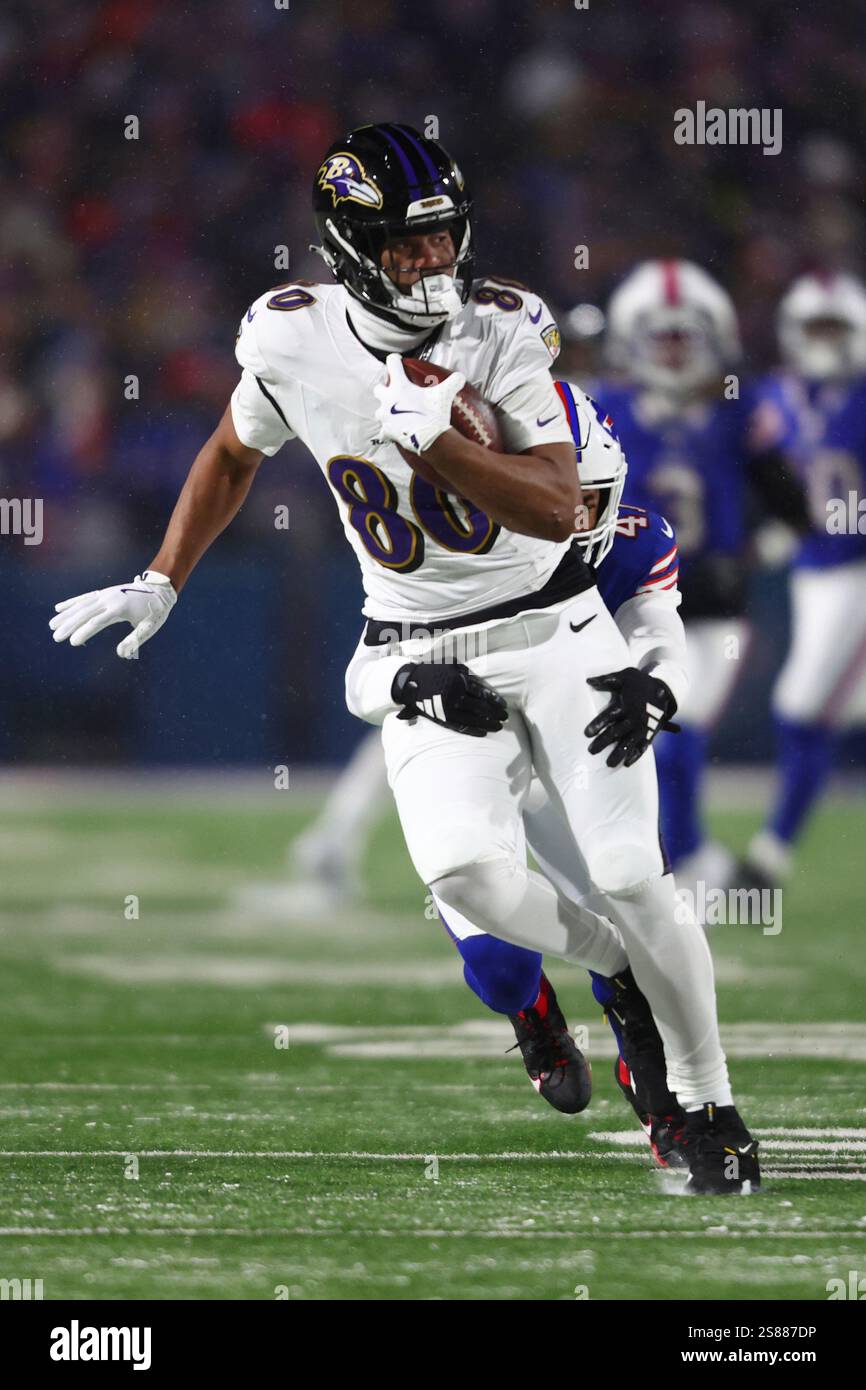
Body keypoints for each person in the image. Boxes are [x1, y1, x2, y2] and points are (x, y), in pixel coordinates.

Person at [50, 122, 758, 1193]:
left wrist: (441, 443)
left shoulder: (505, 324)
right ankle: (608, 973)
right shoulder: (288, 342)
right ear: (345, 249)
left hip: (555, 622)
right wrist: (163, 574)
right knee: (467, 874)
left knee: (629, 872)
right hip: (419, 642)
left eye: (441, 239)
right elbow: (234, 451)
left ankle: (703, 1101)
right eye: (405, 246)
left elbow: (558, 503)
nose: (432, 263)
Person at [347, 380, 690, 1166]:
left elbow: (662, 631)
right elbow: (363, 671)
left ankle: (669, 1097)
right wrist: (411, 682)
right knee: (501, 967)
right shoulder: (445, 539)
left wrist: (659, 683)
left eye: (586, 495)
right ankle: (532, 1009)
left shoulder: (636, 539)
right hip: (481, 752)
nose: (569, 514)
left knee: (641, 907)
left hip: (574, 748)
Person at [596, 259, 809, 897]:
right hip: (629, 605)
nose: (671, 350)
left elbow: (792, 506)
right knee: (642, 739)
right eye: (659, 337)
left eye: (683, 337)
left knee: (674, 731)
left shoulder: (737, 413)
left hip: (714, 606)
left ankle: (688, 863)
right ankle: (686, 861)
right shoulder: (602, 408)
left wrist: (766, 543)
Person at [742, 272, 866, 887]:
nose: (823, 338)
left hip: (856, 573)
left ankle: (772, 853)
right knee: (812, 708)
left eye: (835, 327)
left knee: (802, 705)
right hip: (810, 573)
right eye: (815, 327)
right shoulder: (774, 397)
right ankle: (773, 852)